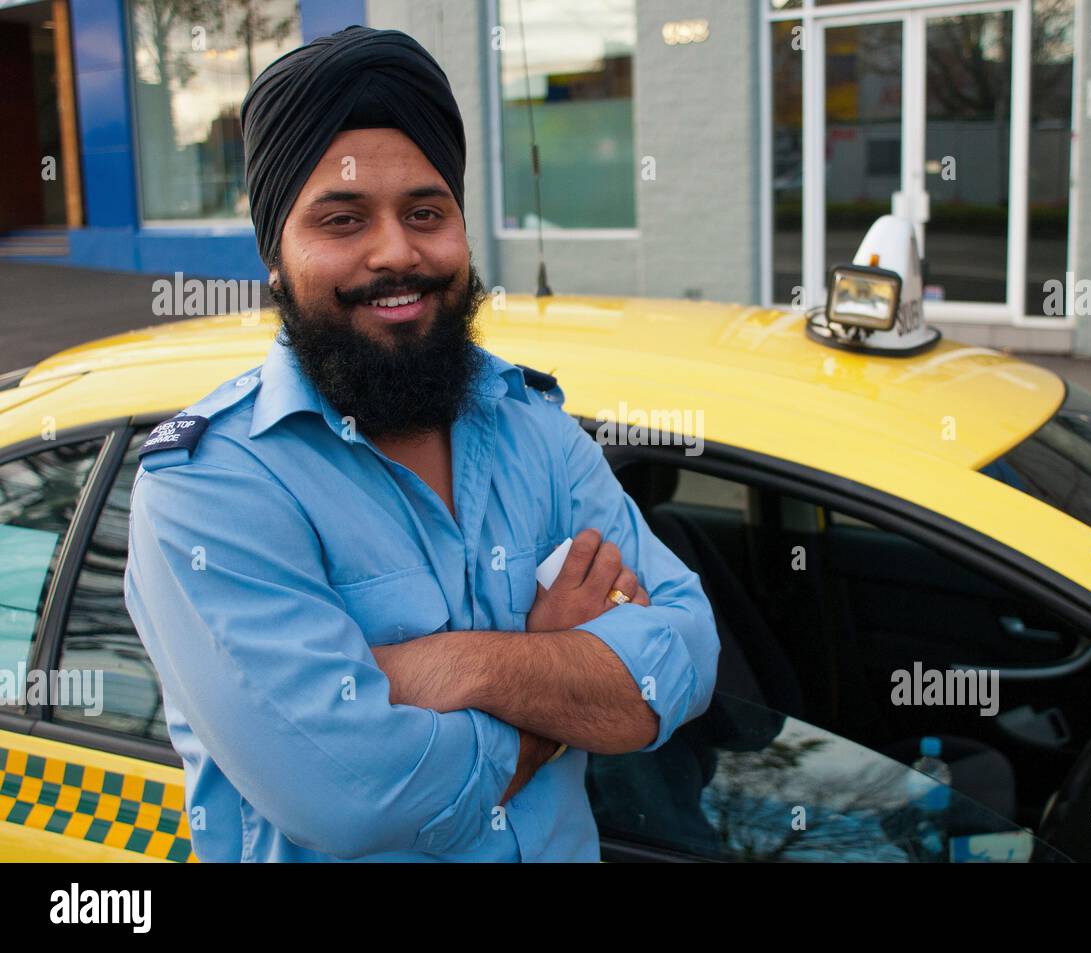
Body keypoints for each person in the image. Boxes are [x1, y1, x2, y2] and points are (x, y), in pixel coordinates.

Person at [123, 24, 720, 862]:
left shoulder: (536, 431)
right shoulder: (212, 488)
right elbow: (363, 798)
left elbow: (688, 653)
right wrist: (562, 674)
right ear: (276, 254)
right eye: (342, 218)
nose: (397, 251)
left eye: (426, 212)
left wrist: (454, 667)